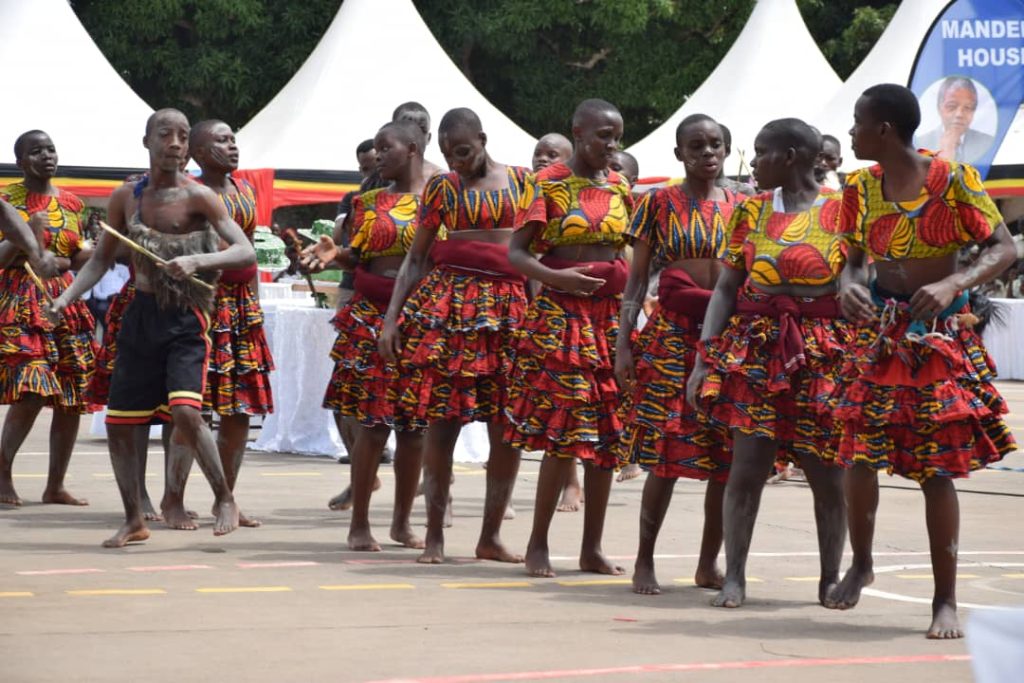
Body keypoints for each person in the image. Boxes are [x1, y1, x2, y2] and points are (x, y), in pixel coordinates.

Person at [826, 84, 1017, 639]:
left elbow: (1005, 248)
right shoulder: (860, 187)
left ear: (884, 130)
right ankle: (861, 564)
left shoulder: (953, 182)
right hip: (880, 330)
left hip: (937, 336)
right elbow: (853, 259)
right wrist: (848, 287)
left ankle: (945, 600)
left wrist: (955, 280)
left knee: (936, 468)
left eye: (857, 122)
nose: (850, 132)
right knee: (859, 455)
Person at [49, 108, 256, 547]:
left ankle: (225, 497)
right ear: (148, 141)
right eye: (167, 135)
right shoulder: (127, 197)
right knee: (123, 422)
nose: (176, 144)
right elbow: (102, 260)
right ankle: (133, 518)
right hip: (141, 313)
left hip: (185, 315)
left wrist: (199, 260)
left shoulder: (201, 197)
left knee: (185, 411)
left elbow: (243, 252)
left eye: (183, 136)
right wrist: (66, 297)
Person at [686, 118, 850, 608]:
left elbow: (860, 278)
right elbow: (726, 287)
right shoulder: (752, 211)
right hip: (756, 349)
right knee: (747, 467)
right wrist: (704, 358)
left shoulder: (843, 211)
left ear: (793, 156)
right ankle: (734, 576)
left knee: (827, 472)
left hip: (822, 351)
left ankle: (828, 578)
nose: (753, 163)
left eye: (761, 153)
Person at [380, 107, 531, 565]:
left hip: (509, 312)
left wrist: (542, 311)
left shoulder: (524, 183)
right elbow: (415, 258)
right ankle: (433, 537)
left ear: (483, 139)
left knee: (507, 430)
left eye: (463, 151)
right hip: (450, 311)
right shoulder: (444, 188)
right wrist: (393, 319)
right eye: (448, 155)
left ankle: (490, 536)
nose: (457, 163)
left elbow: (536, 251)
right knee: (442, 423)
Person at [505, 98, 633, 578]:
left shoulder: (621, 185)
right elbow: (517, 254)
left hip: (610, 318)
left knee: (607, 435)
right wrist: (560, 280)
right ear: (578, 133)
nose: (612, 145)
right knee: (563, 433)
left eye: (617, 136)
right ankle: (537, 544)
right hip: (564, 317)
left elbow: (631, 253)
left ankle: (591, 548)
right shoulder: (547, 184)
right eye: (604, 135)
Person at [617, 114, 742, 594]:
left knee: (725, 459)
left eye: (715, 144)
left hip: (728, 338)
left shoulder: (743, 203)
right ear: (679, 154)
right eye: (696, 146)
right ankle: (644, 560)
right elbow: (635, 280)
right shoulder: (659, 203)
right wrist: (623, 343)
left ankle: (708, 563)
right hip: (672, 337)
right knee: (666, 455)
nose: (707, 153)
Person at [303, 120, 431, 551]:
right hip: (370, 318)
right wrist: (336, 253)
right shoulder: (368, 202)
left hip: (419, 322)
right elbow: (360, 256)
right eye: (375, 149)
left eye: (385, 148)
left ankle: (402, 522)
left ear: (412, 149)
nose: (377, 156)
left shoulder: (439, 198)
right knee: (372, 425)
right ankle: (359, 523)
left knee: (414, 428)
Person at [158, 119, 273, 529]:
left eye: (234, 139)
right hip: (202, 305)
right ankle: (173, 497)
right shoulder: (190, 193)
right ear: (201, 153)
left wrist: (256, 305)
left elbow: (252, 252)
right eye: (222, 141)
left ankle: (226, 498)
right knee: (193, 409)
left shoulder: (244, 191)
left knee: (240, 409)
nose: (233, 146)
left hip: (241, 310)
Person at [0, 130, 95, 507]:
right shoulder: (7, 200)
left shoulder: (71, 202)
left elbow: (76, 253)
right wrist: (28, 238)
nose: (46, 156)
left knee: (72, 395)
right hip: (20, 300)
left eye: (50, 149)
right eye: (36, 151)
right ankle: (2, 471)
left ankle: (54, 484)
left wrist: (84, 256)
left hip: (64, 301)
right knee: (33, 387)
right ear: (21, 161)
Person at [915, 77, 995, 165]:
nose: (959, 114)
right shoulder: (922, 145)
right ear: (939, 108)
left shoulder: (987, 142)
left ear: (974, 111)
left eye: (967, 107)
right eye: (952, 106)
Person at [392, 101, 443, 178]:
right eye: (406, 129)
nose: (414, 135)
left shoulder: (440, 178)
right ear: (392, 135)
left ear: (428, 138)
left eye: (422, 130)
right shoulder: (379, 178)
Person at [717, 123, 758, 196]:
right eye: (697, 146)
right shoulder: (690, 193)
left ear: (727, 150)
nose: (707, 151)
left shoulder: (743, 191)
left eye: (715, 146)